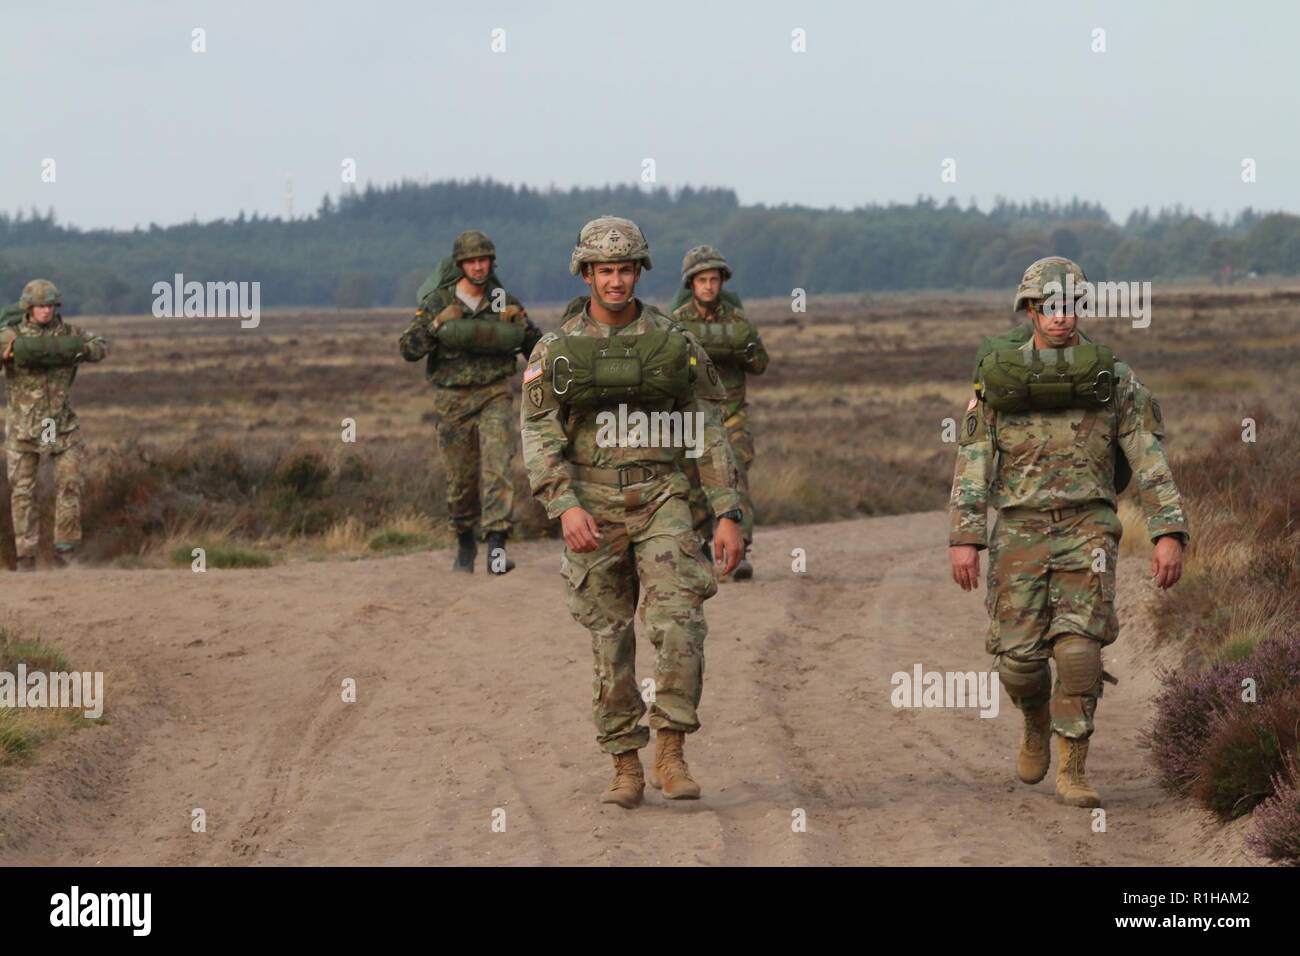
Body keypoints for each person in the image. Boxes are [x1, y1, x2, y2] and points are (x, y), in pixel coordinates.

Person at [947, 256, 1188, 807]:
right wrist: (965, 536)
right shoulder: (999, 379)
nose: (1059, 317)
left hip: (1088, 528)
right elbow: (974, 458)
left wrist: (1167, 530)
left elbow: (1148, 459)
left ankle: (1073, 767)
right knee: (1020, 660)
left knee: (1080, 651)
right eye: (1047, 307)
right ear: (1030, 310)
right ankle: (1035, 718)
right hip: (1018, 529)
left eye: (1068, 306)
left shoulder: (1115, 380)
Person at [520, 216, 743, 808]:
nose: (615, 281)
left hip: (663, 497)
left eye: (624, 270)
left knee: (679, 625)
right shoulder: (556, 349)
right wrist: (563, 504)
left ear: (638, 272)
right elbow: (539, 436)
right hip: (591, 506)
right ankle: (623, 763)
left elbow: (707, 430)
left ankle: (670, 750)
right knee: (610, 639)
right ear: (587, 273)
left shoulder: (675, 343)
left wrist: (726, 511)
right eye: (604, 271)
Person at [399, 230, 541, 573]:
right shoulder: (439, 301)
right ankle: (464, 543)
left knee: (498, 470)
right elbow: (408, 349)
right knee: (460, 480)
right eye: (471, 261)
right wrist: (435, 325)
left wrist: (520, 326)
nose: (479, 267)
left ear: (491, 262)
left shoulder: (503, 300)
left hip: (494, 393)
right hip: (452, 400)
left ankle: (496, 550)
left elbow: (537, 350)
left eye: (484, 260)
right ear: (460, 264)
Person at [670, 245, 768, 580]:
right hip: (694, 417)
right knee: (694, 482)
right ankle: (699, 546)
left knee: (735, 474)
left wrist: (743, 347)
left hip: (731, 414)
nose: (709, 286)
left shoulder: (738, 321)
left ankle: (740, 550)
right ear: (691, 284)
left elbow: (760, 364)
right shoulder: (677, 322)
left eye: (714, 279)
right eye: (702, 280)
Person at [1, 280, 108, 570]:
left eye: (50, 305)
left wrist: (79, 348)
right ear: (28, 307)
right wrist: (14, 351)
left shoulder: (70, 333)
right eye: (40, 306)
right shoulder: (11, 334)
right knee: (23, 492)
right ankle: (25, 556)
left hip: (61, 426)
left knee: (70, 483)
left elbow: (99, 347)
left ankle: (66, 550)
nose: (46, 311)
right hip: (24, 428)